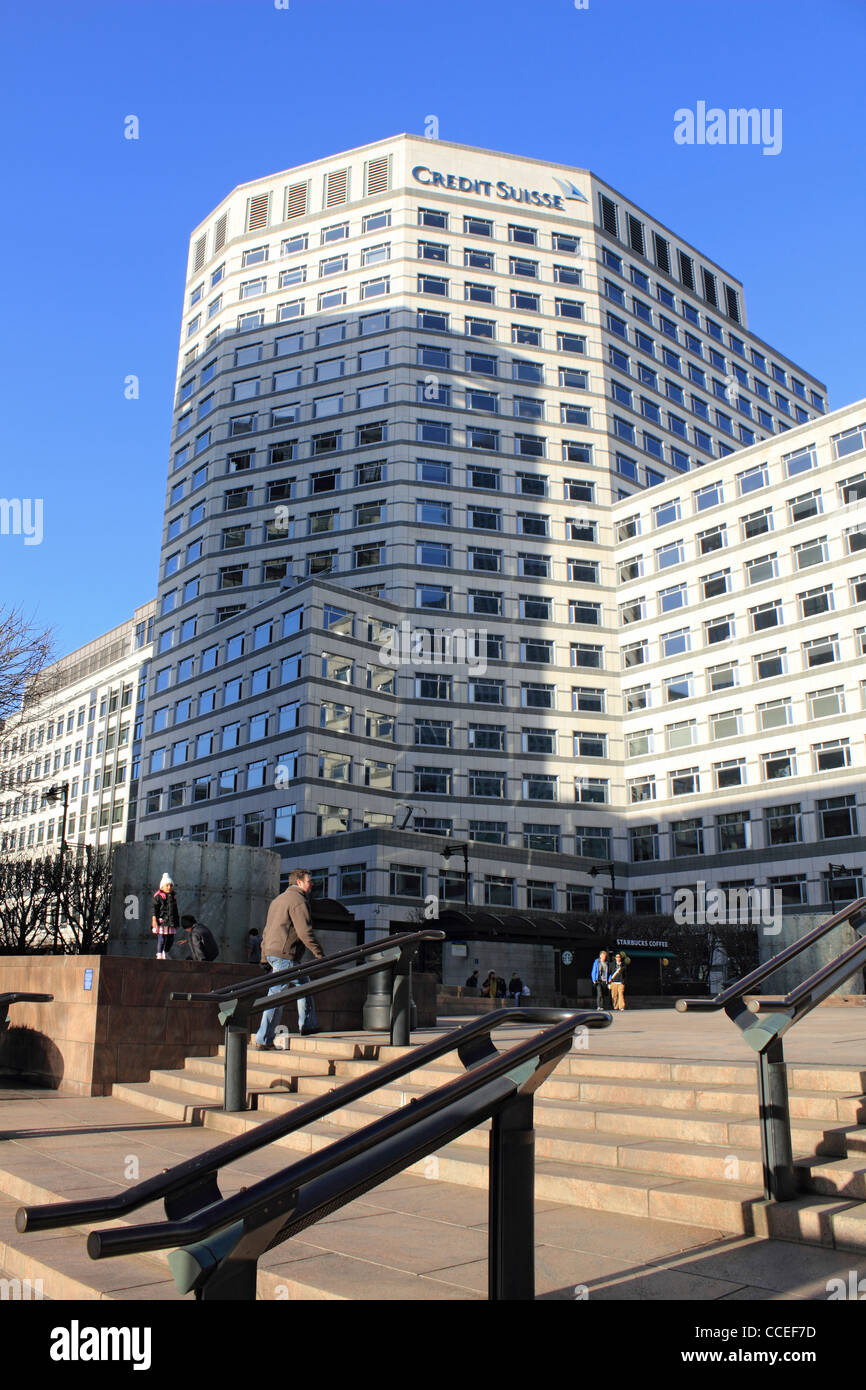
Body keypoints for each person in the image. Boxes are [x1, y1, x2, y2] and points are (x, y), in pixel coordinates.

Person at [253, 868, 325, 1049]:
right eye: (309, 881)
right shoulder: (298, 901)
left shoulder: (278, 900)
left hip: (273, 953)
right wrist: (319, 954)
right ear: (299, 882)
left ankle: (307, 1025)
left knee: (302, 985)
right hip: (285, 955)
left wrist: (263, 957)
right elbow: (304, 931)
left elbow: (267, 930)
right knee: (277, 995)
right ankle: (264, 1038)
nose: (312, 884)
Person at [151, 873, 179, 960]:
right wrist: (154, 919)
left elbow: (175, 911)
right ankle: (159, 954)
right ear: (162, 887)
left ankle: (165, 952)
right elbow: (154, 909)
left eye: (171, 885)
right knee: (162, 938)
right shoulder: (158, 897)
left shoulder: (173, 897)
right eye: (167, 885)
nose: (169, 887)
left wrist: (176, 922)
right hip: (162, 921)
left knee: (170, 939)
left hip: (170, 922)